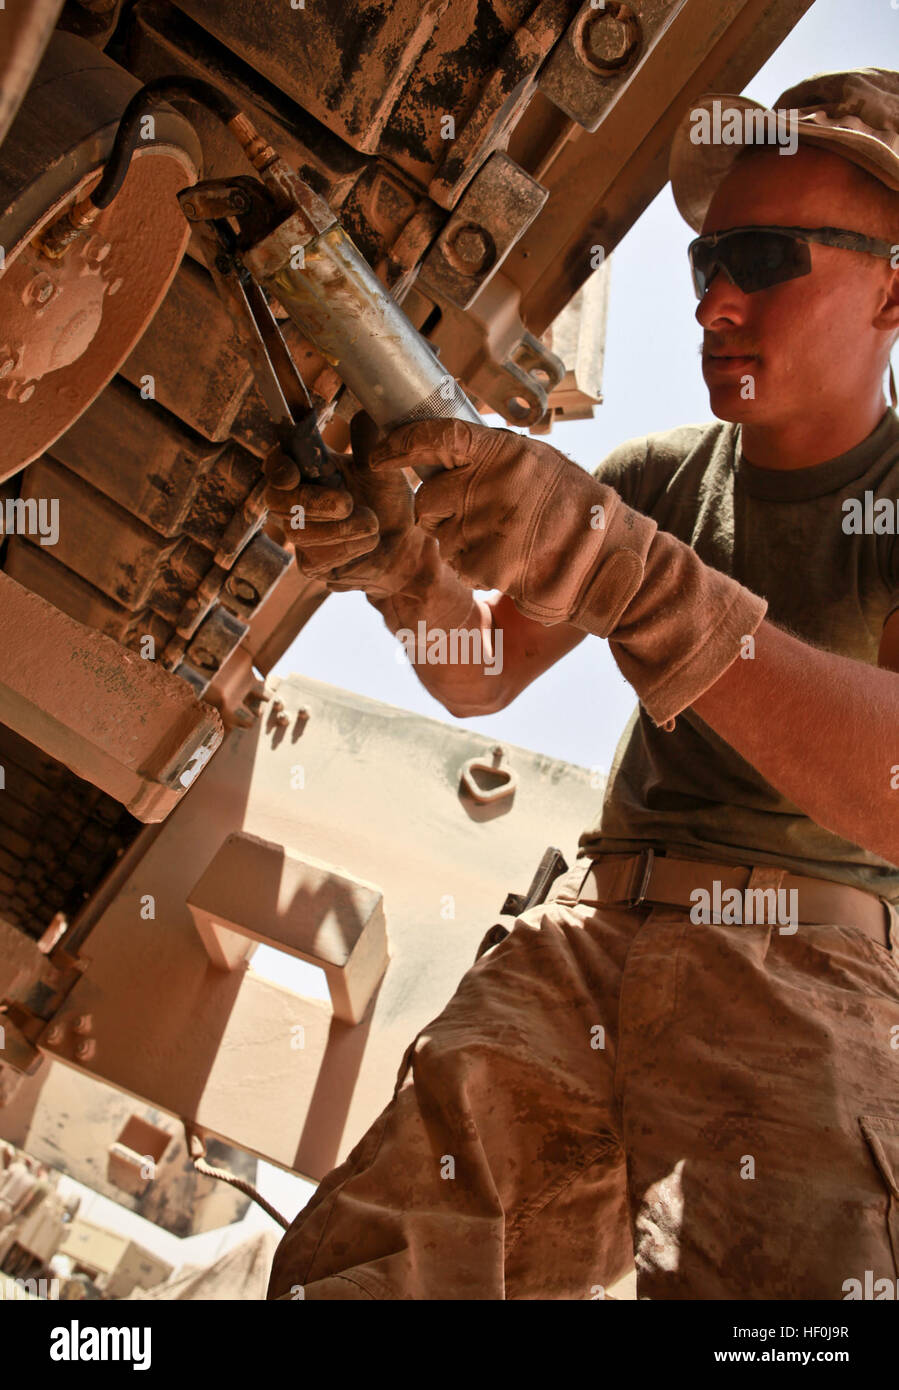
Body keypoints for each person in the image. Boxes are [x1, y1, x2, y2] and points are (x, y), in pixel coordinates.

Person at [263, 69, 899, 1300]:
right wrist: (402, 575)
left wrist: (635, 582)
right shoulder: (659, 474)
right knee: (371, 1266)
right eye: (705, 261)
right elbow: (481, 675)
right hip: (584, 946)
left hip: (800, 978)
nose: (713, 298)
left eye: (763, 257)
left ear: (891, 286)